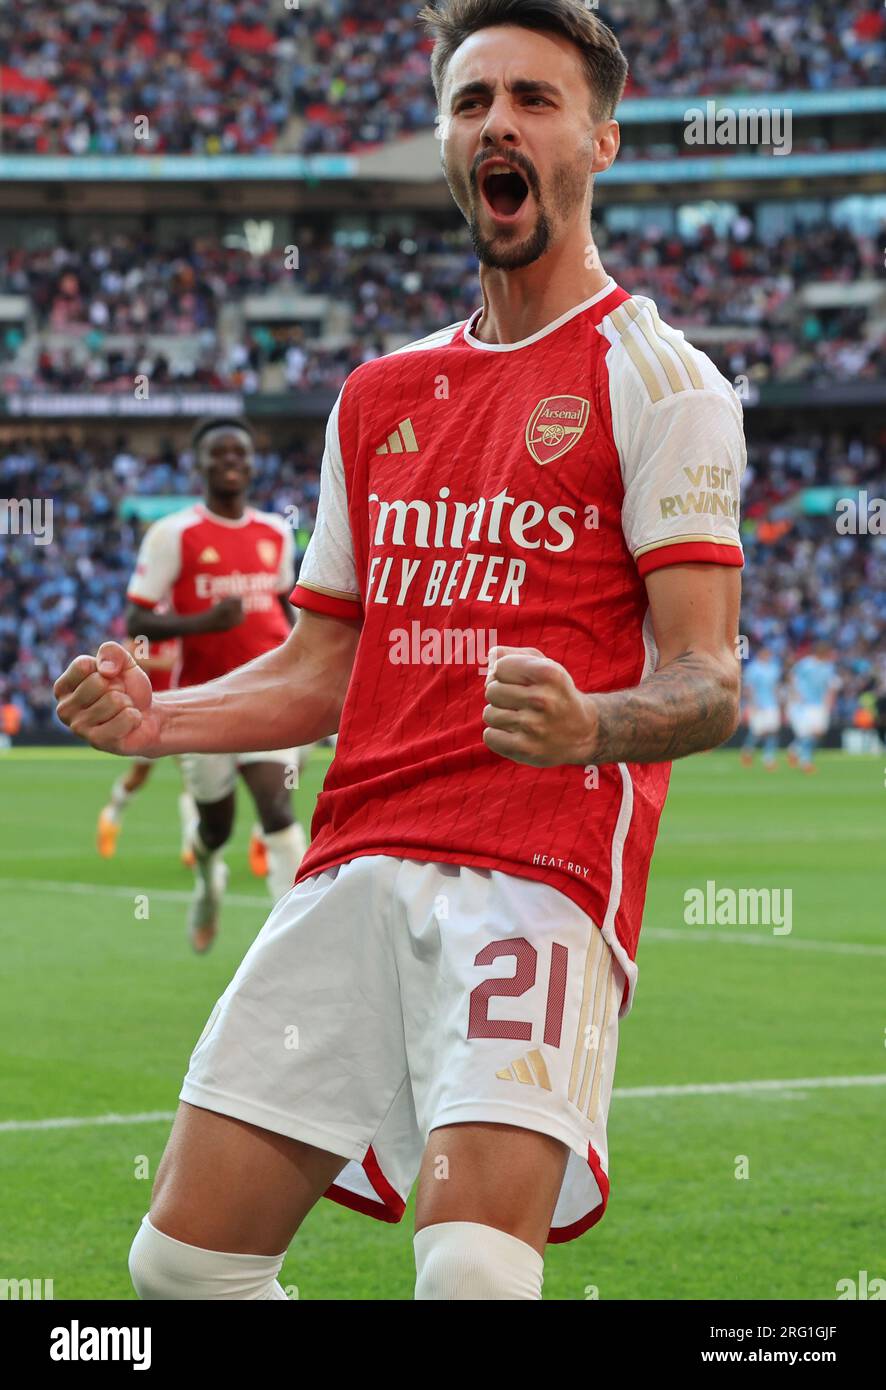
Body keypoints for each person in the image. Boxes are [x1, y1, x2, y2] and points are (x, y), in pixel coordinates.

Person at [54, 0, 745, 1301]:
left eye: (534, 100)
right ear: (444, 139)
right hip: (355, 858)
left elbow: (709, 680)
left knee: (475, 1276)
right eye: (472, 100)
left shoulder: (662, 381)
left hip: (532, 871)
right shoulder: (374, 397)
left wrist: (592, 723)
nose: (500, 122)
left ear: (597, 138)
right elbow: (322, 669)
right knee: (180, 1265)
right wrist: (159, 723)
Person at [124, 416, 307, 950]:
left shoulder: (276, 531)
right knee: (217, 829)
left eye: (240, 454)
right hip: (203, 699)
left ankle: (291, 942)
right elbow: (136, 620)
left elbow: (283, 604)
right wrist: (203, 623)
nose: (231, 462)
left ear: (253, 463)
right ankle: (208, 877)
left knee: (277, 809)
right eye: (218, 454)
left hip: (271, 691)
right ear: (198, 465)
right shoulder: (174, 534)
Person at [96, 634, 197, 864]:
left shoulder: (185, 629)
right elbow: (126, 654)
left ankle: (191, 844)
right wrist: (160, 662)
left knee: (192, 778)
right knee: (139, 776)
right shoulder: (150, 631)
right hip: (151, 712)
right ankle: (111, 814)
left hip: (182, 709)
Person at [786, 640, 839, 772]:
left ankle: (794, 749)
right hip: (805, 704)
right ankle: (806, 762)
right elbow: (792, 676)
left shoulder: (828, 667)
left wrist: (830, 701)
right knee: (808, 733)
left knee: (818, 733)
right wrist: (796, 693)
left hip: (820, 704)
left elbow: (831, 685)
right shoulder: (806, 664)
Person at [740, 645, 782, 769]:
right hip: (757, 704)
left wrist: (779, 702)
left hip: (771, 704)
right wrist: (752, 703)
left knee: (773, 732)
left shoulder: (774, 668)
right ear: (760, 654)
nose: (768, 656)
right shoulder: (753, 669)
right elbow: (748, 688)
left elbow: (775, 687)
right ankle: (747, 751)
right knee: (757, 732)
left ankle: (769, 758)